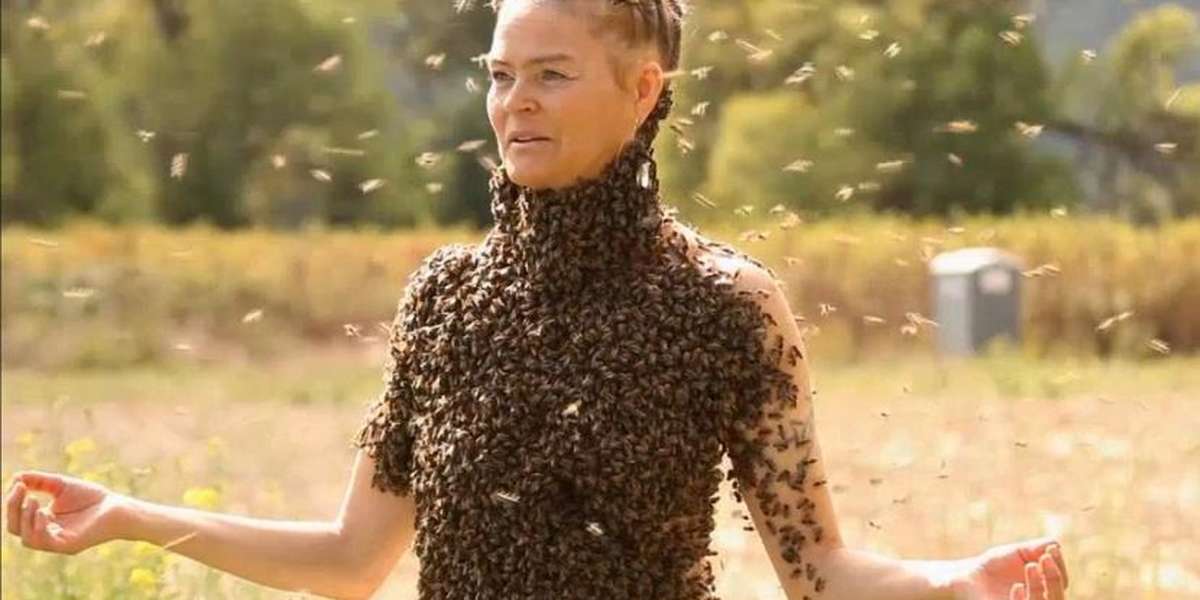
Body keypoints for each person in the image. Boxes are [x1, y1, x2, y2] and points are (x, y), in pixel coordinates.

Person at [4, 1, 1070, 599]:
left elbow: (821, 571)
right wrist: (130, 519)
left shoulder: (725, 304)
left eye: (551, 75)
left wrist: (956, 588)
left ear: (642, 91)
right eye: (499, 74)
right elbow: (350, 559)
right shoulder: (445, 298)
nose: (515, 102)